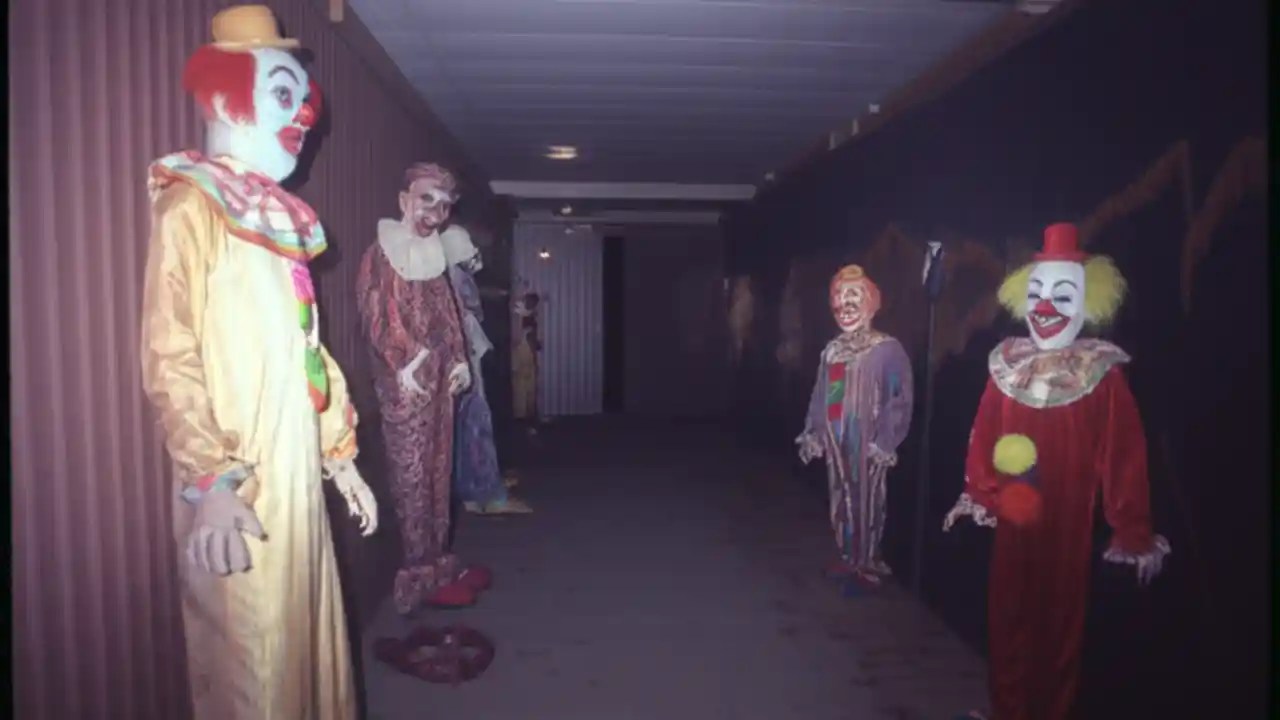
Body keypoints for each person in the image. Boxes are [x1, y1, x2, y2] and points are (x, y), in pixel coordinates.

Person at [139, 7, 376, 718]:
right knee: (251, 658)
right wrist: (209, 478)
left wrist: (338, 450)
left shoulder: (274, 217)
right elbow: (168, 349)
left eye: (300, 100)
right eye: (283, 95)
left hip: (298, 470)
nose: (301, 115)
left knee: (308, 638)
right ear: (219, 97)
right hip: (238, 486)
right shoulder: (194, 208)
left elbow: (307, 345)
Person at [943, 222, 1170, 720]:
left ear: (1086, 303)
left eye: (1061, 295)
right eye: (1039, 294)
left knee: (1057, 629)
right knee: (1006, 622)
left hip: (1065, 529)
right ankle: (1007, 710)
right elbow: (984, 435)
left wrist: (1129, 525)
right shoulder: (1007, 366)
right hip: (1012, 520)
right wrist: (978, 492)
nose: (1045, 308)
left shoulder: (1102, 377)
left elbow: (1124, 455)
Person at [356, 163, 491, 612]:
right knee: (412, 477)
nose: (436, 210)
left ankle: (439, 564)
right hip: (406, 386)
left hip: (438, 382)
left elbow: (448, 313)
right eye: (427, 198)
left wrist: (457, 359)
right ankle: (415, 576)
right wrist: (405, 359)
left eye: (445, 203)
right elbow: (376, 315)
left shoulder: (433, 256)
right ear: (404, 200)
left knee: (438, 471)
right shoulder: (383, 254)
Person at [796, 265, 914, 590]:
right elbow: (826, 396)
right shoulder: (834, 351)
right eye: (838, 298)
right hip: (838, 440)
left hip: (869, 441)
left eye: (853, 297)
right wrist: (816, 432)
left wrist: (886, 439)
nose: (844, 307)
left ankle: (866, 559)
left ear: (870, 303)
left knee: (868, 498)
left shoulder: (887, 350)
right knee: (840, 495)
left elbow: (899, 397)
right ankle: (848, 556)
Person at [441, 225, 534, 515]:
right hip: (463, 357)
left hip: (461, 356)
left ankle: (475, 488)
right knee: (475, 422)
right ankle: (486, 492)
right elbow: (467, 309)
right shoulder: (454, 277)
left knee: (466, 424)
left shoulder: (449, 276)